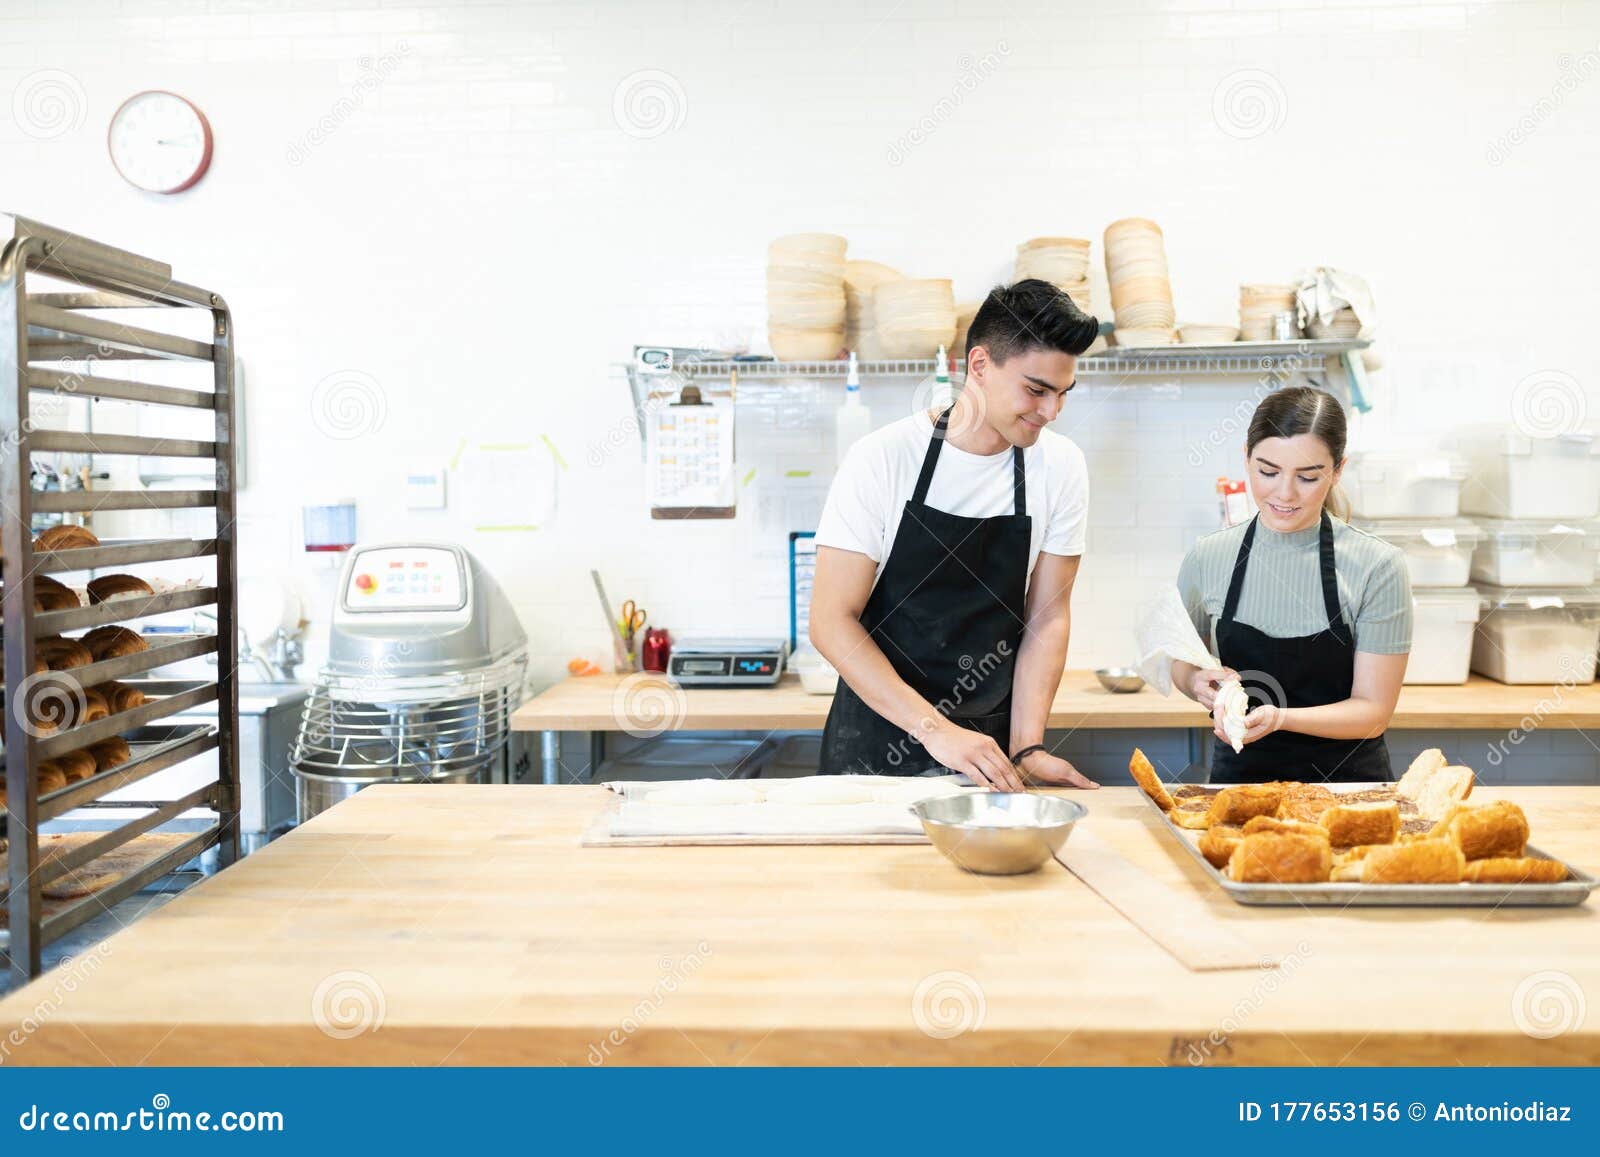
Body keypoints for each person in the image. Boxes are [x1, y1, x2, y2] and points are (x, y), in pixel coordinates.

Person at [808, 279, 1100, 791]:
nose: (1051, 412)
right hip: (877, 744)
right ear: (981, 365)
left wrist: (1027, 746)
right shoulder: (883, 458)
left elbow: (1048, 616)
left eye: (1063, 393)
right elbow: (831, 622)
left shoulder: (1061, 467)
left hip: (990, 753)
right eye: (1036, 390)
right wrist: (935, 730)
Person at [1171, 386, 1412, 783]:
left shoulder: (1379, 566)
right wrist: (1194, 681)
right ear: (1246, 458)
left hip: (1349, 794)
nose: (1284, 493)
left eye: (1308, 477)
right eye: (1267, 472)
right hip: (1240, 790)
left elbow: (1373, 713)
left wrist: (1281, 719)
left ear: (1337, 471)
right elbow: (1180, 660)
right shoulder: (1208, 557)